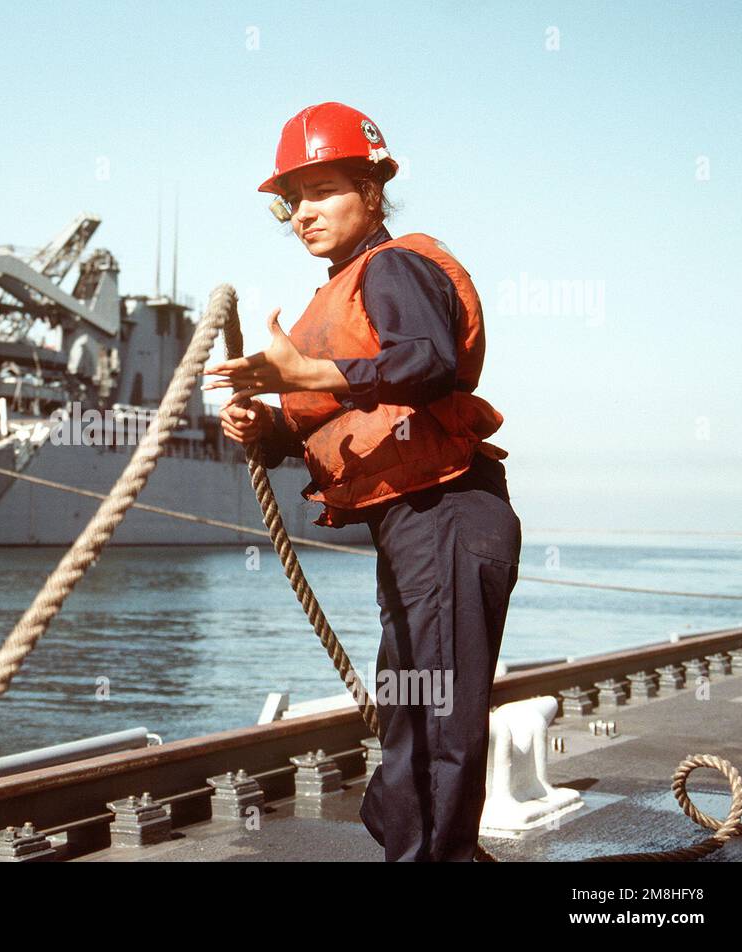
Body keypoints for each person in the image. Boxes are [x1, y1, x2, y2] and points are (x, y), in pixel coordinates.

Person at [204, 102, 522, 862]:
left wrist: (308, 372)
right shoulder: (342, 291)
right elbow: (344, 415)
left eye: (322, 192)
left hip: (447, 510)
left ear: (372, 191)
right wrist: (270, 428)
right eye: (292, 201)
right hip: (414, 527)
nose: (301, 215)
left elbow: (427, 360)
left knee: (436, 724)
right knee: (410, 718)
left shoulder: (395, 266)